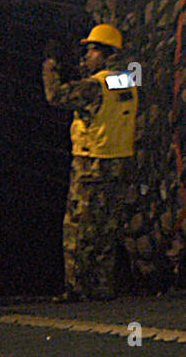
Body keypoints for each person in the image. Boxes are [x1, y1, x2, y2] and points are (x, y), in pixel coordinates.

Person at [42, 23, 138, 302]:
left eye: (92, 50)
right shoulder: (125, 81)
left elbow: (56, 96)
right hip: (118, 163)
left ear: (107, 53)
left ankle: (77, 289)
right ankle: (101, 286)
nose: (87, 56)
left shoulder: (95, 86)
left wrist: (50, 66)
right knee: (105, 229)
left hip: (92, 163)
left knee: (77, 228)